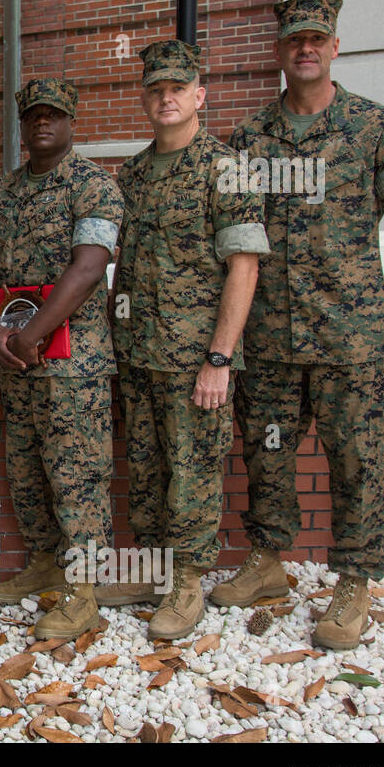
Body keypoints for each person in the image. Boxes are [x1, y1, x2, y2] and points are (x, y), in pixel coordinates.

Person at [215, 0, 384, 650]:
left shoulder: (376, 127)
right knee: (267, 452)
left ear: (334, 48)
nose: (304, 49)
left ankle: (356, 580)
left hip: (352, 333)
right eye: (293, 40)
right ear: (280, 53)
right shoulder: (249, 139)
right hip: (271, 336)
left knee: (356, 459)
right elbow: (234, 237)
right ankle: (269, 563)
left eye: (316, 39)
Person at [105, 40, 269, 639]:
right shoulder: (133, 173)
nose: (165, 97)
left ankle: (188, 583)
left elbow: (244, 267)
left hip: (196, 357)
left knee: (193, 469)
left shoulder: (226, 168)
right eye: (155, 88)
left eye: (177, 87)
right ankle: (152, 570)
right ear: (144, 99)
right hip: (140, 354)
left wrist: (220, 359)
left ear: (199, 95)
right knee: (146, 469)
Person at [0, 77, 123, 640]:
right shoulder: (2, 194)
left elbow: (88, 267)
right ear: (22, 123)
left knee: (78, 475)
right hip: (18, 359)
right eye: (33, 114)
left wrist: (32, 333)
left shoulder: (93, 186)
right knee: (28, 469)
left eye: (53, 114)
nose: (42, 123)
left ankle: (84, 593)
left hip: (72, 363)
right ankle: (42, 563)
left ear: (70, 121)